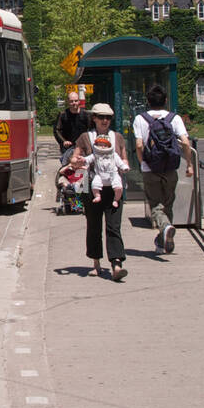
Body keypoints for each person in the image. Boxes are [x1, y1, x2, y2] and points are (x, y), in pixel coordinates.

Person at [132, 83, 195, 255]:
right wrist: (189, 164)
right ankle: (165, 242)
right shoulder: (174, 118)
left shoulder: (140, 119)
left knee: (155, 206)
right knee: (168, 205)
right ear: (166, 100)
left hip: (150, 168)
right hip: (170, 168)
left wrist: (142, 162)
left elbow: (139, 144)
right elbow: (186, 143)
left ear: (148, 101)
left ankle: (165, 227)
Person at [70, 103, 129, 280]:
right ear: (94, 118)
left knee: (114, 226)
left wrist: (125, 166)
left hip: (113, 188)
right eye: (101, 117)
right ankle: (96, 263)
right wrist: (77, 162)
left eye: (108, 118)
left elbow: (124, 157)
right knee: (93, 226)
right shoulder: (85, 138)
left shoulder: (117, 137)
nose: (105, 121)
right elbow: (74, 158)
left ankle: (116, 263)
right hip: (92, 188)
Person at [82, 132, 127, 207]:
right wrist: (83, 159)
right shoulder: (95, 155)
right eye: (100, 145)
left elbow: (120, 162)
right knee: (94, 184)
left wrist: (124, 167)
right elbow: (88, 159)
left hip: (113, 175)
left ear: (109, 146)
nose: (102, 147)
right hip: (100, 175)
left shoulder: (113, 154)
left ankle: (116, 199)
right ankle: (97, 196)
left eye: (105, 145)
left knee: (119, 187)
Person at [53, 92, 90, 162]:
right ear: (68, 102)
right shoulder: (63, 115)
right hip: (68, 147)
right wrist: (63, 141)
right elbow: (57, 130)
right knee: (68, 168)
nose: (74, 103)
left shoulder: (85, 115)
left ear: (79, 101)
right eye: (71, 101)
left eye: (76, 101)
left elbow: (90, 129)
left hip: (83, 147)